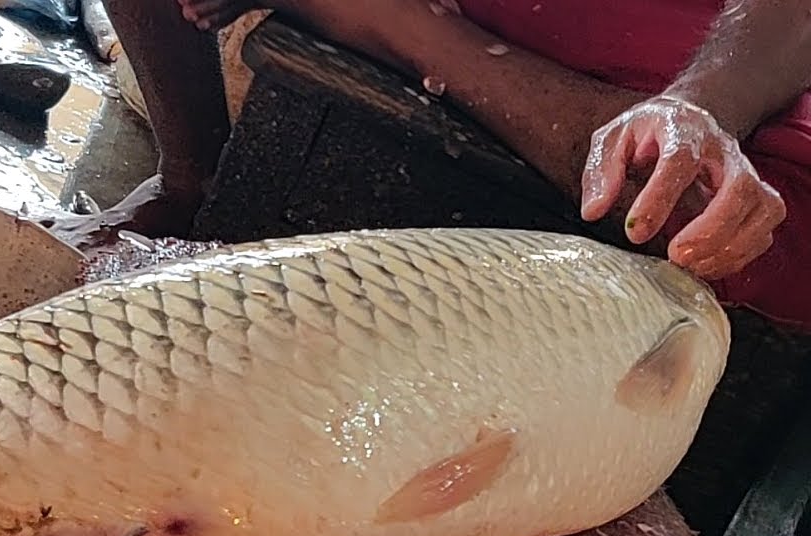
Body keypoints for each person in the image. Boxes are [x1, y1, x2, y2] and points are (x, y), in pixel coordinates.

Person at [48, 0, 811, 329]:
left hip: (718, 107)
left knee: (678, 198)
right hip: (485, 40)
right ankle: (194, 183)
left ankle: (387, 25)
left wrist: (701, 108)